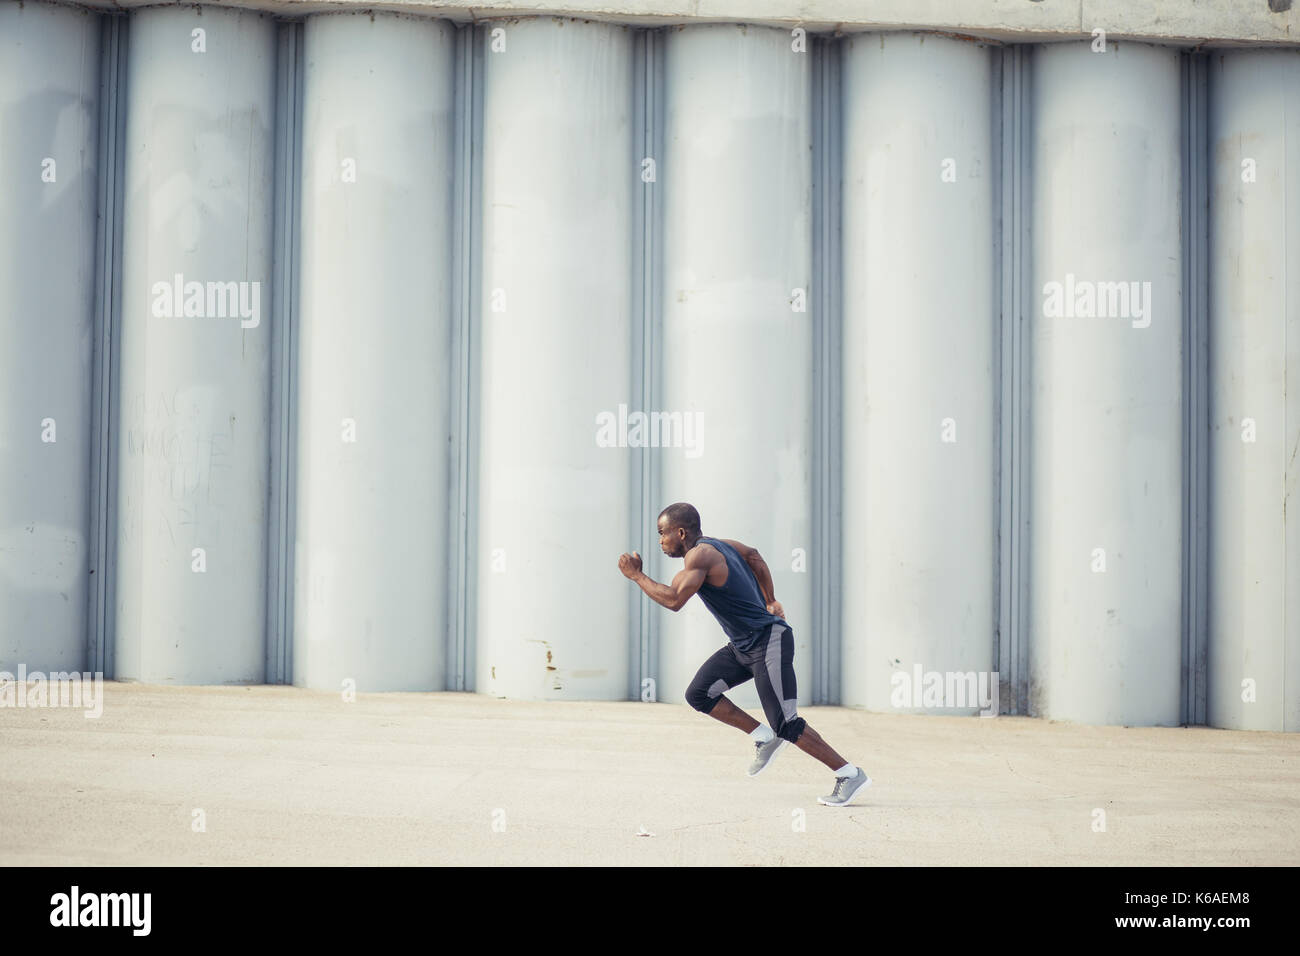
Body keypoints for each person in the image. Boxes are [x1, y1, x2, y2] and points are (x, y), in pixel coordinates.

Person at [618, 501, 871, 807]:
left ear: (680, 532)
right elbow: (754, 555)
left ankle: (849, 773)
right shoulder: (721, 545)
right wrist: (771, 599)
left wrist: (636, 576)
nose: (660, 541)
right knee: (699, 694)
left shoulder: (700, 555)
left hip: (769, 643)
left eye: (662, 533)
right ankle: (764, 736)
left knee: (788, 724)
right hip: (743, 646)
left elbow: (673, 600)